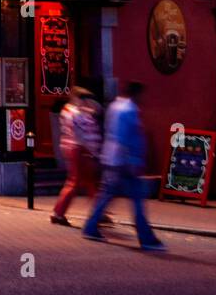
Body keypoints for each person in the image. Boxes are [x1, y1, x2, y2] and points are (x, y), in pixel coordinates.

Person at [83, 81, 166, 252]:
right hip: (125, 161)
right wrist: (131, 160)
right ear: (136, 94)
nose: (144, 99)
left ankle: (91, 227)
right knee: (137, 199)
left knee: (107, 194)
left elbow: (111, 132)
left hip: (111, 158)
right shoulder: (129, 110)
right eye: (142, 95)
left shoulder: (114, 106)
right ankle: (146, 238)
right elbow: (124, 137)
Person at [50, 87, 102, 226]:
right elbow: (81, 134)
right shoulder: (76, 113)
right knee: (76, 181)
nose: (88, 102)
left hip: (77, 149)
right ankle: (59, 213)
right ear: (79, 99)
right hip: (80, 150)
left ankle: (99, 211)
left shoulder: (70, 110)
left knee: (91, 181)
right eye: (85, 99)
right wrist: (91, 151)